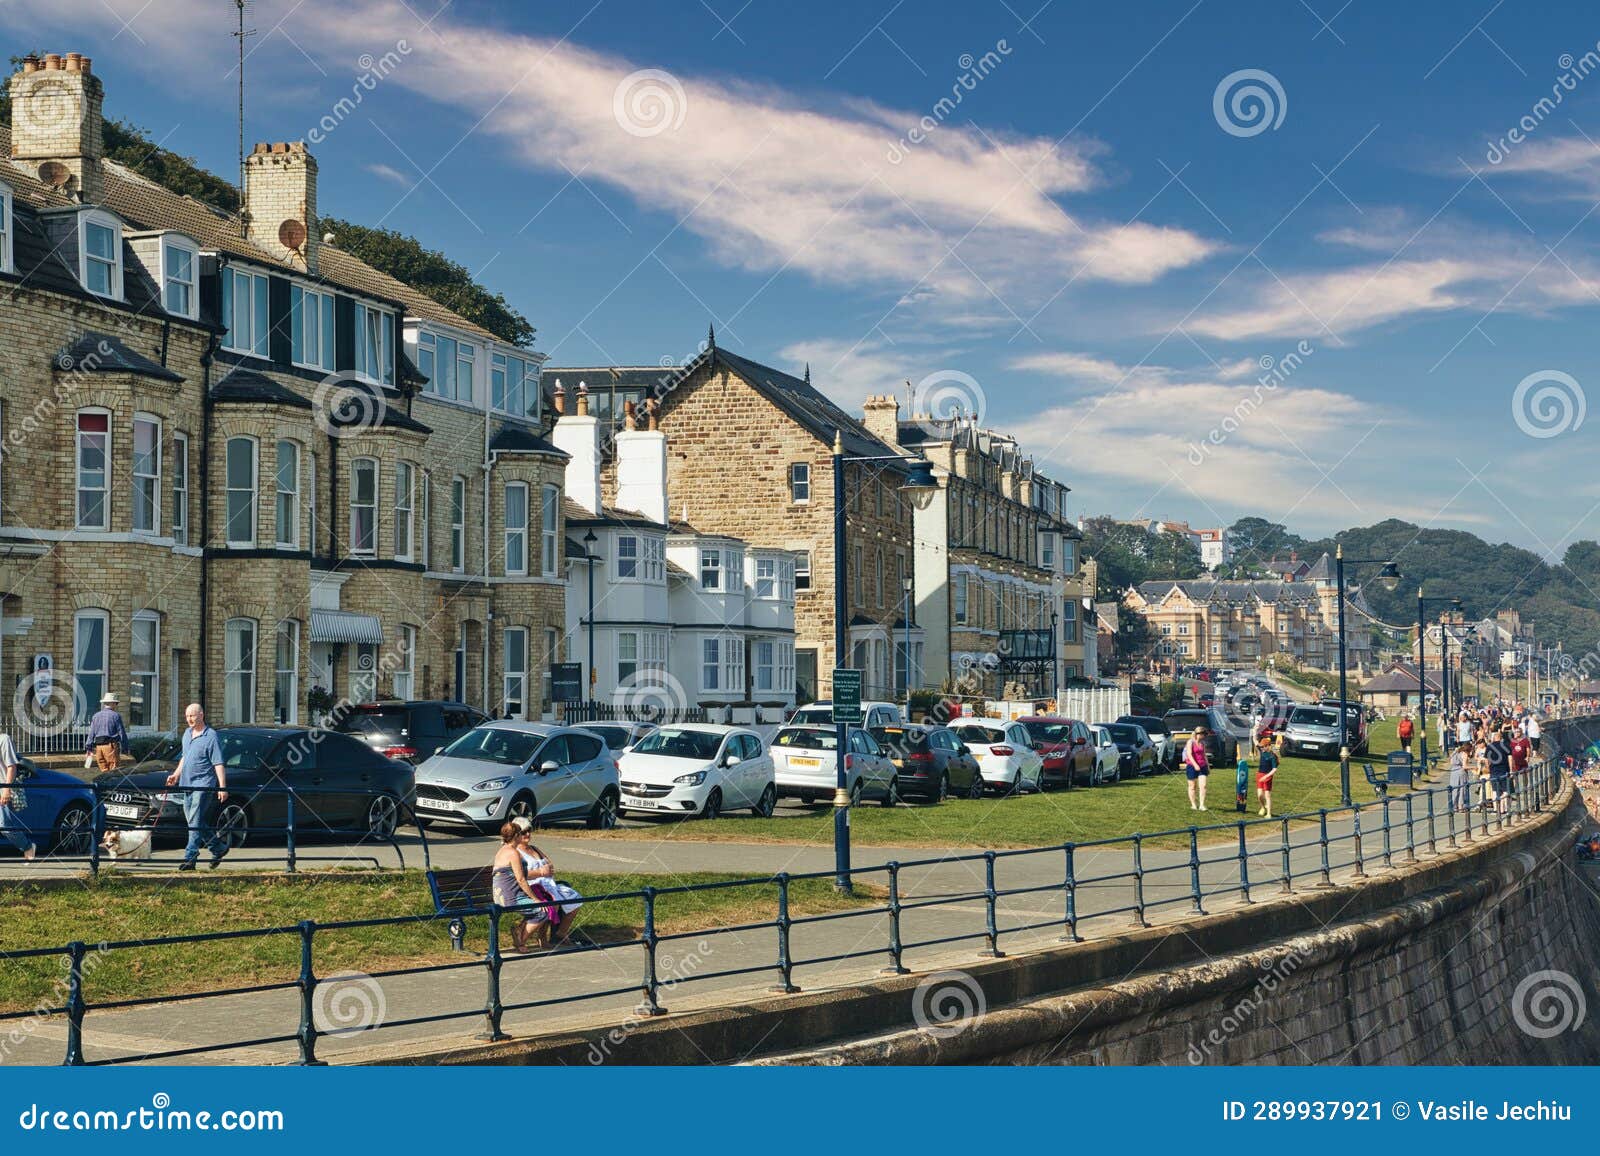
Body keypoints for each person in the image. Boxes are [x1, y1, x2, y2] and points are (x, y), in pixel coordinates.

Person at [164, 702, 230, 870]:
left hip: (203, 785)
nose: (189, 719)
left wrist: (222, 787)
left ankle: (190, 858)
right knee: (195, 821)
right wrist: (176, 775)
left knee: (194, 822)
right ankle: (218, 847)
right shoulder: (187, 734)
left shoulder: (211, 736)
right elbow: (185, 758)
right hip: (187, 783)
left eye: (192, 715)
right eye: (187, 716)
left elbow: (218, 763)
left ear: (201, 715)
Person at [511, 816, 584, 945]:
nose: (527, 834)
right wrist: (540, 872)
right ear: (516, 834)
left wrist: (547, 870)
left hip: (549, 884)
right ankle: (541, 936)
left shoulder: (535, 849)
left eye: (529, 830)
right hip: (533, 886)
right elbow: (519, 875)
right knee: (552, 903)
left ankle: (560, 933)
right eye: (523, 832)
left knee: (576, 898)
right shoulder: (516, 852)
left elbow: (549, 863)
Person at [491, 821, 555, 953]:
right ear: (516, 836)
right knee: (543, 911)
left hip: (506, 895)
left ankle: (519, 932)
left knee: (543, 907)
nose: (524, 835)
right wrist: (535, 898)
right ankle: (520, 938)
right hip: (510, 897)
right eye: (521, 833)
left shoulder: (504, 850)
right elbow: (521, 879)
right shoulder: (513, 853)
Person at [0, 729, 35, 861]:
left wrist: (7, 789)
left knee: (4, 825)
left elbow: (11, 766)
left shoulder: (4, 739)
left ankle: (27, 846)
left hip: (2, 788)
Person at [84, 692, 128, 773]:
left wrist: (88, 748)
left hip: (99, 748)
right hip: (110, 747)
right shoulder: (115, 716)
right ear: (113, 703)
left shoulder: (96, 716)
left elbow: (91, 734)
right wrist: (125, 747)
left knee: (104, 772)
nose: (116, 705)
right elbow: (122, 733)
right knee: (113, 772)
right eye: (116, 703)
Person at [1183, 726, 1210, 811]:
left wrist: (1208, 766)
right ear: (1198, 734)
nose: (1204, 737)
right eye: (1203, 735)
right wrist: (1195, 765)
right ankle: (1193, 805)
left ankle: (1202, 805)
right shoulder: (1190, 742)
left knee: (1203, 786)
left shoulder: (1202, 743)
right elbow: (1189, 754)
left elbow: (1204, 755)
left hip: (1202, 766)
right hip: (1192, 766)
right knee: (1192, 786)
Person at [1256, 735, 1279, 819]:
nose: (1261, 748)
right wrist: (1255, 730)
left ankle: (1269, 813)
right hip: (1259, 774)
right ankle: (1262, 807)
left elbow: (1274, 769)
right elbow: (1255, 741)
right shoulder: (1262, 752)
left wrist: (1266, 776)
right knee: (1259, 795)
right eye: (1261, 747)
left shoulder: (1272, 756)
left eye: (1263, 746)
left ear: (1268, 746)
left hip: (1267, 776)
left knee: (1267, 795)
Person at [1447, 742, 1469, 813]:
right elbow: (1464, 766)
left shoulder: (1455, 752)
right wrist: (1474, 767)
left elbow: (1450, 761)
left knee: (1454, 789)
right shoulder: (1464, 754)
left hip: (1453, 771)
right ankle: (1461, 806)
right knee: (1462, 789)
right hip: (1461, 772)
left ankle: (1453, 806)